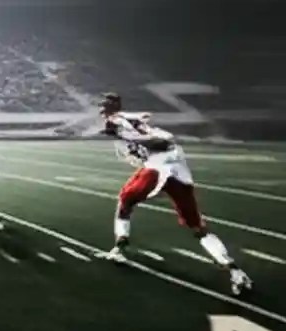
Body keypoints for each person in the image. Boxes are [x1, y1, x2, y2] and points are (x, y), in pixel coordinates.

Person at [95, 93, 252, 295]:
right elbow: (143, 119)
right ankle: (235, 271)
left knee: (126, 199)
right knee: (196, 225)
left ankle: (119, 247)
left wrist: (140, 137)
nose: (102, 110)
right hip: (176, 161)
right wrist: (142, 131)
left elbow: (147, 136)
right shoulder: (124, 117)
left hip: (160, 164)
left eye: (105, 105)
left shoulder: (116, 122)